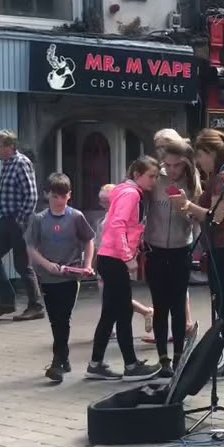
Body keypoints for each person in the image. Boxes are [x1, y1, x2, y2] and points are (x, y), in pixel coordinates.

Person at [177, 128, 224, 378]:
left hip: (223, 245)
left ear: (210, 153)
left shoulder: (221, 177)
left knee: (223, 303)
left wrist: (188, 206)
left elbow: (217, 216)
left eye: (200, 155)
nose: (198, 161)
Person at [86, 157, 162, 381]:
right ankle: (130, 365)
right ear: (137, 174)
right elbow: (117, 224)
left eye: (156, 176)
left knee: (110, 312)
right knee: (122, 312)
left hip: (109, 257)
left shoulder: (125, 192)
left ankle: (95, 363)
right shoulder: (131, 194)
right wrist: (128, 257)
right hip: (115, 258)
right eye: (151, 176)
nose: (154, 181)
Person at [26, 173, 96, 383]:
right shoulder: (39, 219)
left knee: (63, 318)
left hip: (70, 276)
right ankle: (63, 359)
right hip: (48, 278)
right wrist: (47, 265)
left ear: (69, 196)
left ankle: (58, 361)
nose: (59, 201)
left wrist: (87, 265)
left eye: (63, 196)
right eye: (55, 196)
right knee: (55, 318)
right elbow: (30, 247)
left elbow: (88, 240)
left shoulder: (76, 217)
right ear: (47, 195)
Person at [146, 140, 201, 378]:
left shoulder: (193, 183)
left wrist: (185, 209)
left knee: (178, 305)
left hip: (181, 248)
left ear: (186, 163)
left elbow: (197, 220)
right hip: (155, 247)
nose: (172, 170)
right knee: (160, 306)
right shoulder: (156, 179)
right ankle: (162, 358)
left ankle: (179, 356)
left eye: (177, 165)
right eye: (168, 165)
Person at [0, 130, 44, 321]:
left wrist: (21, 219)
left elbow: (31, 195)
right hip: (7, 220)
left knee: (22, 264)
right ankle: (6, 301)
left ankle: (35, 306)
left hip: (18, 220)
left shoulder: (21, 162)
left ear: (10, 146)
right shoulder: (7, 164)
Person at [96, 184, 154, 332]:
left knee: (117, 300)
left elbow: (120, 232)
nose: (103, 203)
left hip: (116, 259)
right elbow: (99, 241)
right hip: (108, 258)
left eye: (106, 200)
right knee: (114, 298)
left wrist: (127, 257)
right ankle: (142, 313)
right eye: (101, 200)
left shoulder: (118, 214)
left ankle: (145, 312)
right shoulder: (106, 218)